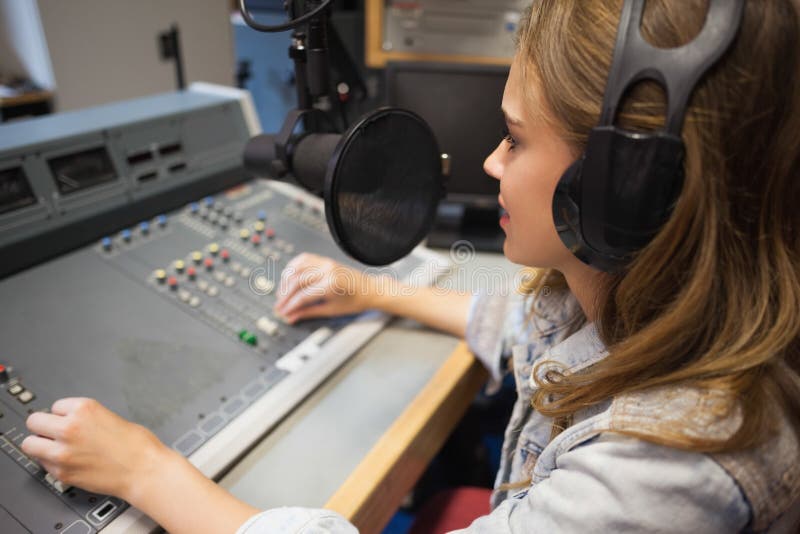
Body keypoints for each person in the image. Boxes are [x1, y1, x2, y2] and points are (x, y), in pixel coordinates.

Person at [20, 0, 800, 532]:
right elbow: (515, 322)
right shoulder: (619, 306)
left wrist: (148, 472)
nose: (492, 162)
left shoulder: (674, 466)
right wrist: (368, 289)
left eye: (516, 139)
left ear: (626, 191)